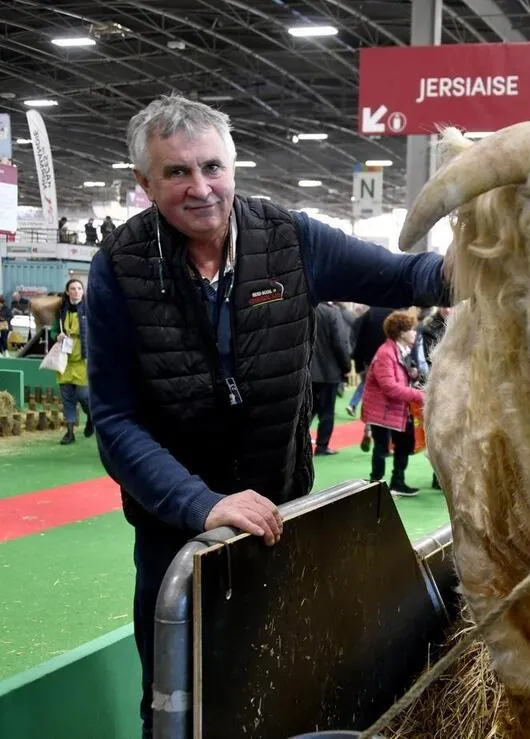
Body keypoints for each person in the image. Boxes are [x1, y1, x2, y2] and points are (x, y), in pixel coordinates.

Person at [84, 94, 449, 739]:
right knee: (177, 696)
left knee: (282, 684)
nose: (201, 188)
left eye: (212, 167)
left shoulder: (287, 237)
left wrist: (492, 261)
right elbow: (116, 420)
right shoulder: (118, 268)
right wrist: (200, 504)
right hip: (177, 532)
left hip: (282, 513)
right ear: (144, 182)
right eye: (176, 173)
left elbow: (404, 276)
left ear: (233, 166)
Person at [360, 310, 425, 496]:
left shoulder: (400, 351)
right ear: (402, 333)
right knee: (381, 449)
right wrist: (418, 395)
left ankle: (397, 481)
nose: (414, 333)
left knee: (403, 444)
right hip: (382, 410)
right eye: (412, 330)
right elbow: (389, 386)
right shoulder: (385, 353)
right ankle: (375, 485)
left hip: (395, 409)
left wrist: (412, 375)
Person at [52, 279, 93, 444]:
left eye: (79, 288)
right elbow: (54, 329)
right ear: (67, 292)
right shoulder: (60, 311)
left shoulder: (90, 309)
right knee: (67, 397)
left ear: (83, 292)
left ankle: (91, 417)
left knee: (83, 395)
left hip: (83, 359)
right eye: (73, 288)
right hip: (64, 359)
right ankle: (69, 433)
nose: (76, 291)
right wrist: (57, 335)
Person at [310, 302, 351, 456]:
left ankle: (298, 443)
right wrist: (346, 367)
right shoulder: (332, 312)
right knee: (327, 412)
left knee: (308, 410)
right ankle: (322, 445)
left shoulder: (307, 307)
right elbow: (339, 342)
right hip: (329, 372)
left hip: (308, 370)